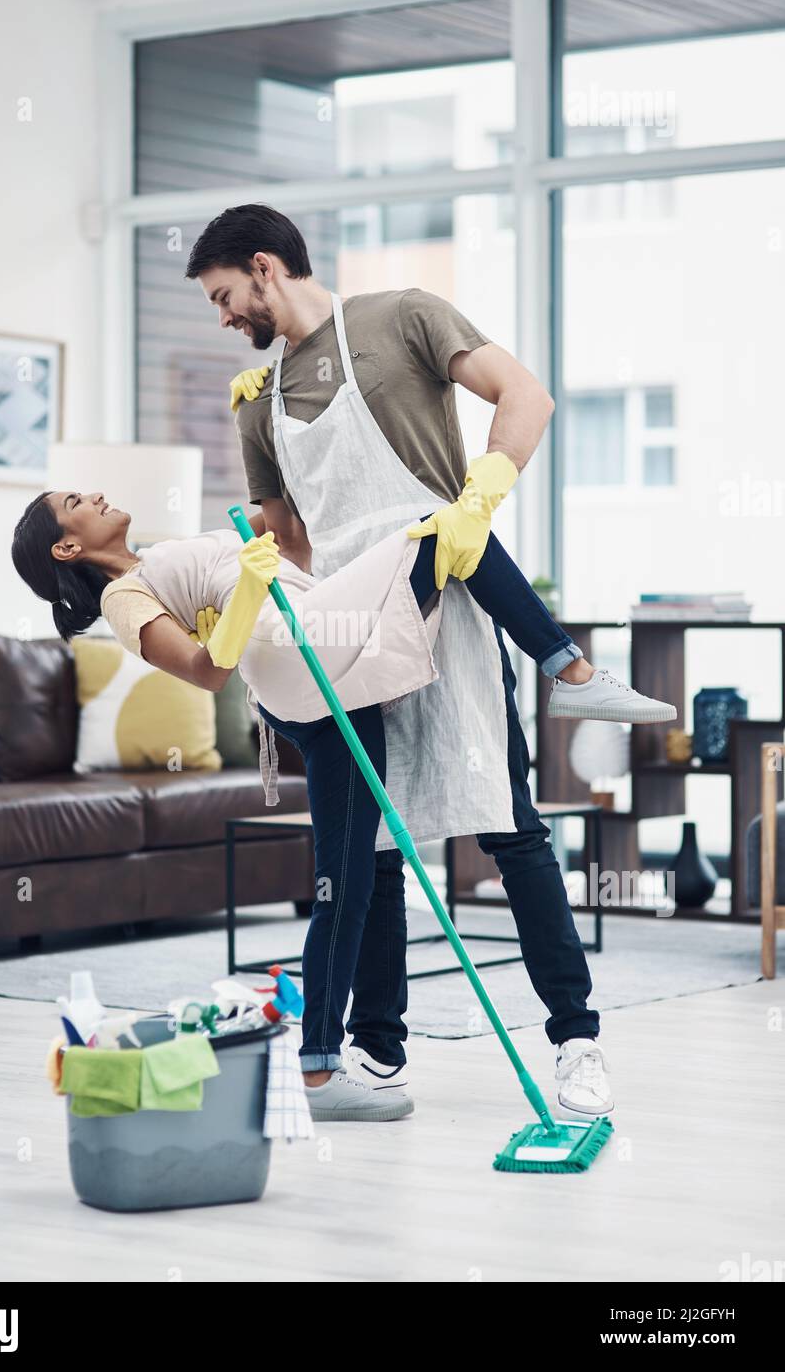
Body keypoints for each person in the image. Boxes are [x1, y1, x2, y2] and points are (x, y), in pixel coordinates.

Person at [176, 203, 675, 1122]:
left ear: (265, 266)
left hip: (446, 594)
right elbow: (291, 539)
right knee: (372, 846)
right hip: (347, 623)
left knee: (510, 828)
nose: (224, 318)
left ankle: (576, 1041)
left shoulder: (403, 315)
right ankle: (378, 1052)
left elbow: (525, 396)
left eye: (223, 296)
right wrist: (230, 569)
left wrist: (482, 494)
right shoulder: (259, 399)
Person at [11, 484, 665, 1122]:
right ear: (67, 549)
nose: (92, 495)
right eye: (73, 504)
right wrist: (247, 587)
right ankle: (572, 672)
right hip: (297, 654)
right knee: (447, 531)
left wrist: (271, 499)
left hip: (325, 661)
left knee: (351, 875)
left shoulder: (159, 556)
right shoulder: (123, 597)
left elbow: (289, 526)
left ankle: (333, 1061)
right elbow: (207, 670)